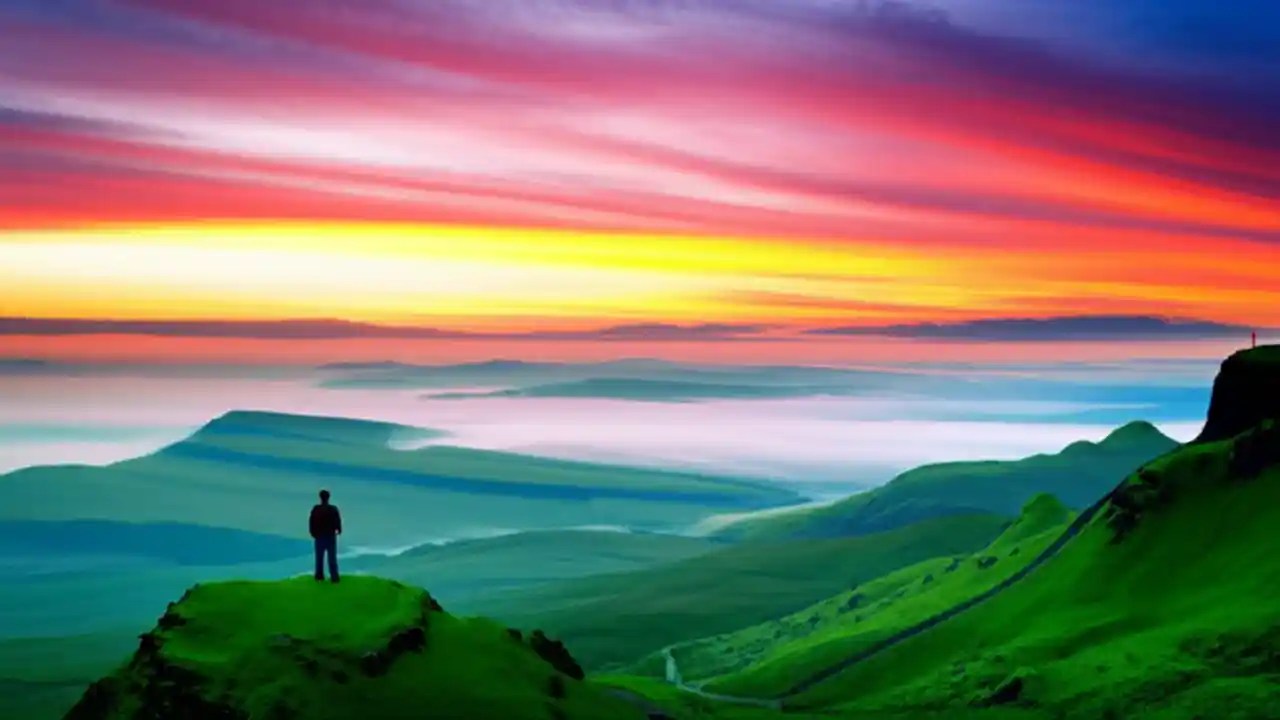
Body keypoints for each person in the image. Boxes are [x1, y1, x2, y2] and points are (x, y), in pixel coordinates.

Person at [309, 489, 342, 583]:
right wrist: (339, 529)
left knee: (319, 557)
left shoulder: (316, 509)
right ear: (328, 497)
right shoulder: (333, 509)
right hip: (330, 536)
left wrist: (312, 533)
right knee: (332, 557)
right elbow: (337, 520)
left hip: (319, 536)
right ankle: (334, 577)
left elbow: (311, 521)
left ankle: (319, 576)